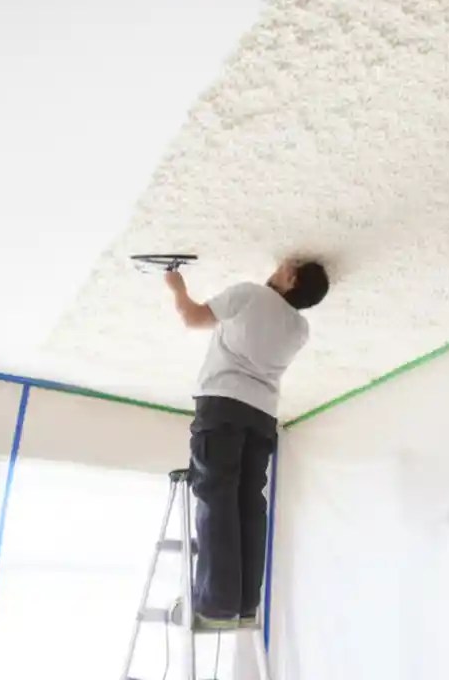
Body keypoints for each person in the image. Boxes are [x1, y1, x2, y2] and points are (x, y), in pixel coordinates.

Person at [163, 259, 329, 630]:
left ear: (291, 278)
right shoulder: (299, 329)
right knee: (249, 506)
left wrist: (176, 286)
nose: (279, 266)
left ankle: (217, 606)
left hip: (223, 403)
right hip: (262, 416)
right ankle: (244, 605)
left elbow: (193, 317)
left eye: (286, 266)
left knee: (218, 497)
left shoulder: (250, 294)